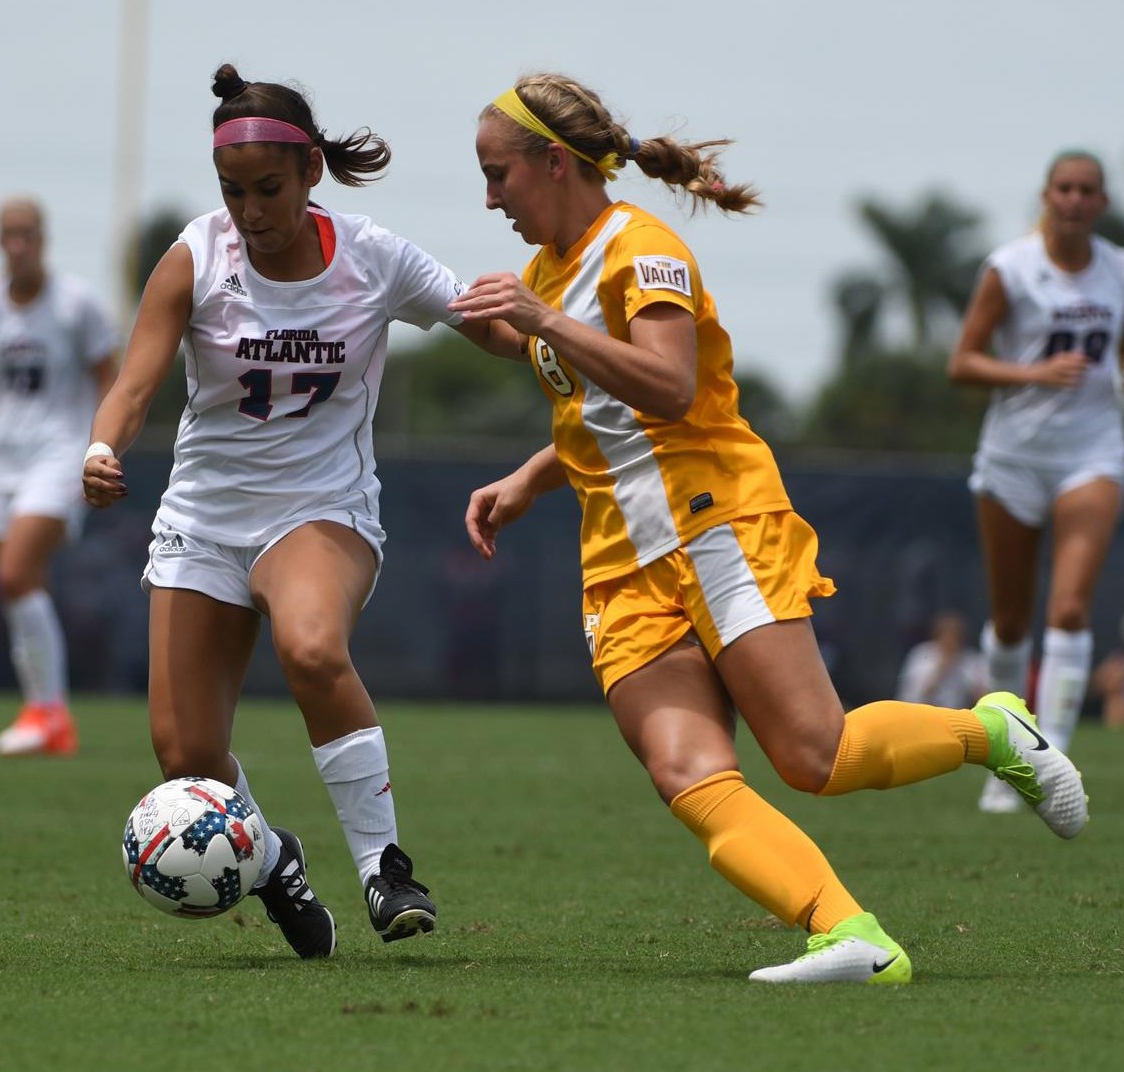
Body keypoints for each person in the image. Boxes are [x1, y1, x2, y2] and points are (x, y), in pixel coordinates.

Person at [453, 73, 1087, 985]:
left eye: (497, 174)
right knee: (684, 770)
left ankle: (990, 731)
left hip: (715, 526)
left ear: (553, 162)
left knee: (812, 756)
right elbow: (605, 412)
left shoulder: (641, 247)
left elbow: (671, 389)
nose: (488, 199)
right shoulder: (550, 273)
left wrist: (541, 321)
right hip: (621, 563)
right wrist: (527, 475)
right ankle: (848, 934)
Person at [82, 65, 521, 959]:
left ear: (311, 171)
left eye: (268, 190)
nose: (250, 210)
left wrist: (566, 336)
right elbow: (134, 383)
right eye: (233, 191)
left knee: (313, 646)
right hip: (204, 521)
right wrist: (101, 446)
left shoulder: (374, 257)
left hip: (321, 511)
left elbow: (493, 330)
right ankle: (276, 858)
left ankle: (383, 868)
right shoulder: (196, 257)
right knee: (186, 761)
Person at [948, 150, 1124, 811]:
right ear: (1046, 196)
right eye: (1063, 188)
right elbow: (963, 362)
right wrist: (1031, 375)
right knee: (1011, 623)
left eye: (1086, 190)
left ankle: (1049, 762)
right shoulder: (1010, 269)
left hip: (1091, 455)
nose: (1073, 199)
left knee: (1067, 608)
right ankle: (1010, 752)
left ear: (1103, 202)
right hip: (1013, 460)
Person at [0, 196, 118, 756]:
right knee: (22, 585)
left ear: (43, 238)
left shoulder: (76, 303)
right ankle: (50, 716)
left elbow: (112, 378)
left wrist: (102, 447)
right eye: (8, 234)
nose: (18, 244)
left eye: (27, 234)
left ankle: (47, 710)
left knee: (14, 571)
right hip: (1, 460)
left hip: (60, 455)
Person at [896, 611, 990, 710]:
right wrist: (942, 668)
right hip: (925, 714)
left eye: (955, 636)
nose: (951, 640)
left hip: (958, 716)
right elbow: (909, 697)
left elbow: (984, 698)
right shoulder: (921, 654)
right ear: (937, 634)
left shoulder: (971, 660)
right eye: (946, 634)